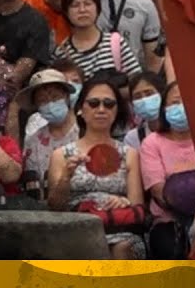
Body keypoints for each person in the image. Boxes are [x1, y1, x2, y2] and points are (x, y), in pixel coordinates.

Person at [47, 76, 146, 259]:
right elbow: (55, 207)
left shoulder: (129, 154)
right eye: (93, 103)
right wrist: (66, 176)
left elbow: (137, 205)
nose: (101, 109)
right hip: (78, 230)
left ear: (117, 111)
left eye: (109, 104)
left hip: (120, 229)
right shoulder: (61, 155)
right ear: (80, 110)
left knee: (123, 248)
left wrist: (125, 203)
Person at [140, 82, 195, 258]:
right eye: (175, 102)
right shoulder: (152, 143)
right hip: (170, 219)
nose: (181, 107)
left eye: (187, 101)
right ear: (164, 109)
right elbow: (158, 191)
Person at [53, 0, 142, 79]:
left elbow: (137, 80)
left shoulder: (115, 43)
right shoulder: (61, 52)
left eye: (87, 4)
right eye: (75, 5)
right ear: (66, 12)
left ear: (97, 8)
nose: (82, 10)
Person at [15, 69, 80, 194]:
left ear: (66, 96)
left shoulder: (83, 130)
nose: (50, 104)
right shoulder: (34, 140)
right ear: (37, 106)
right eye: (43, 100)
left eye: (55, 97)